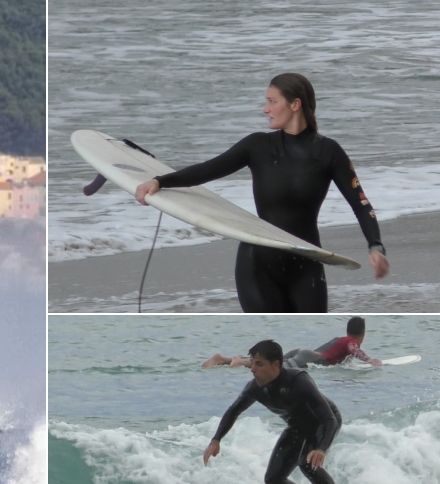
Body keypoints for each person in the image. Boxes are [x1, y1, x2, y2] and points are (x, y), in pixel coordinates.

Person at [133, 73, 390, 313]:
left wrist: (376, 247)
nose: (265, 109)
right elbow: (207, 170)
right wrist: (160, 181)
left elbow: (361, 204)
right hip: (258, 262)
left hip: (306, 261)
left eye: (271, 101)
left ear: (295, 104)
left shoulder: (328, 152)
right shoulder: (258, 146)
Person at [203, 340, 358, 484]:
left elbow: (329, 418)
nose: (253, 369)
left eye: (259, 364)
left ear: (275, 365)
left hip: (323, 421)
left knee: (307, 464)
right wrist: (216, 440)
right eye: (252, 362)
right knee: (273, 479)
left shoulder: (299, 381)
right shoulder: (255, 388)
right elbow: (233, 411)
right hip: (297, 426)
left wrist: (320, 448)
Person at [204, 316, 382, 368]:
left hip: (304, 353)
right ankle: (240, 361)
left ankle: (223, 359)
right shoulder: (351, 341)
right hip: (309, 358)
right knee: (276, 368)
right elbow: (354, 349)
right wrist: (370, 360)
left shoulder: (342, 338)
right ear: (362, 333)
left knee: (271, 363)